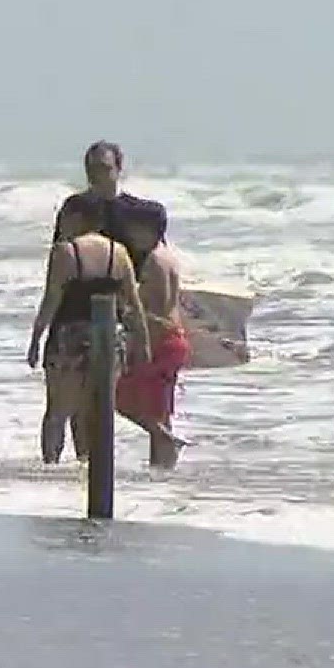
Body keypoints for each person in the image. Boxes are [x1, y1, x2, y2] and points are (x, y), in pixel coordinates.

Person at [26, 194, 149, 465]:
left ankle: (51, 466)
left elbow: (51, 300)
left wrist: (36, 339)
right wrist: (143, 343)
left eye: (65, 216)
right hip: (109, 339)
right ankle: (89, 467)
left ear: (78, 218)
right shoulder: (118, 252)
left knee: (58, 411)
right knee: (94, 410)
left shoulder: (65, 252)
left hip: (69, 337)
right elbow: (133, 303)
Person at [114, 199, 191, 468]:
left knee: (117, 399)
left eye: (134, 228)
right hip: (175, 340)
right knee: (160, 410)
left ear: (148, 228)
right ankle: (162, 472)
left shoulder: (154, 262)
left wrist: (127, 311)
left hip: (160, 340)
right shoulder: (168, 256)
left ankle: (164, 439)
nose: (130, 234)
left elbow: (154, 308)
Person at [51, 140, 156, 267]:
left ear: (118, 168)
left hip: (127, 276)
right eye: (91, 169)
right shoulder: (75, 207)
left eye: (103, 168)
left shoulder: (140, 213)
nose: (96, 175)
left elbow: (154, 261)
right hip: (85, 277)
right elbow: (58, 257)